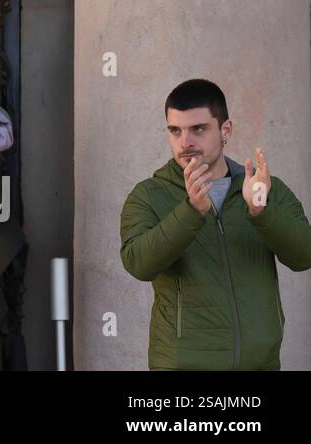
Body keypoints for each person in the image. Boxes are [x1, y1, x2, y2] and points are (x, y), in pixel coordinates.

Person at [120, 78, 311, 370]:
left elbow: (304, 256)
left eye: (198, 129)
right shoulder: (148, 195)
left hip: (260, 365)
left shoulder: (265, 189)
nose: (185, 142)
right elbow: (138, 264)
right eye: (175, 131)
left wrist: (261, 212)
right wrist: (190, 212)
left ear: (225, 130)